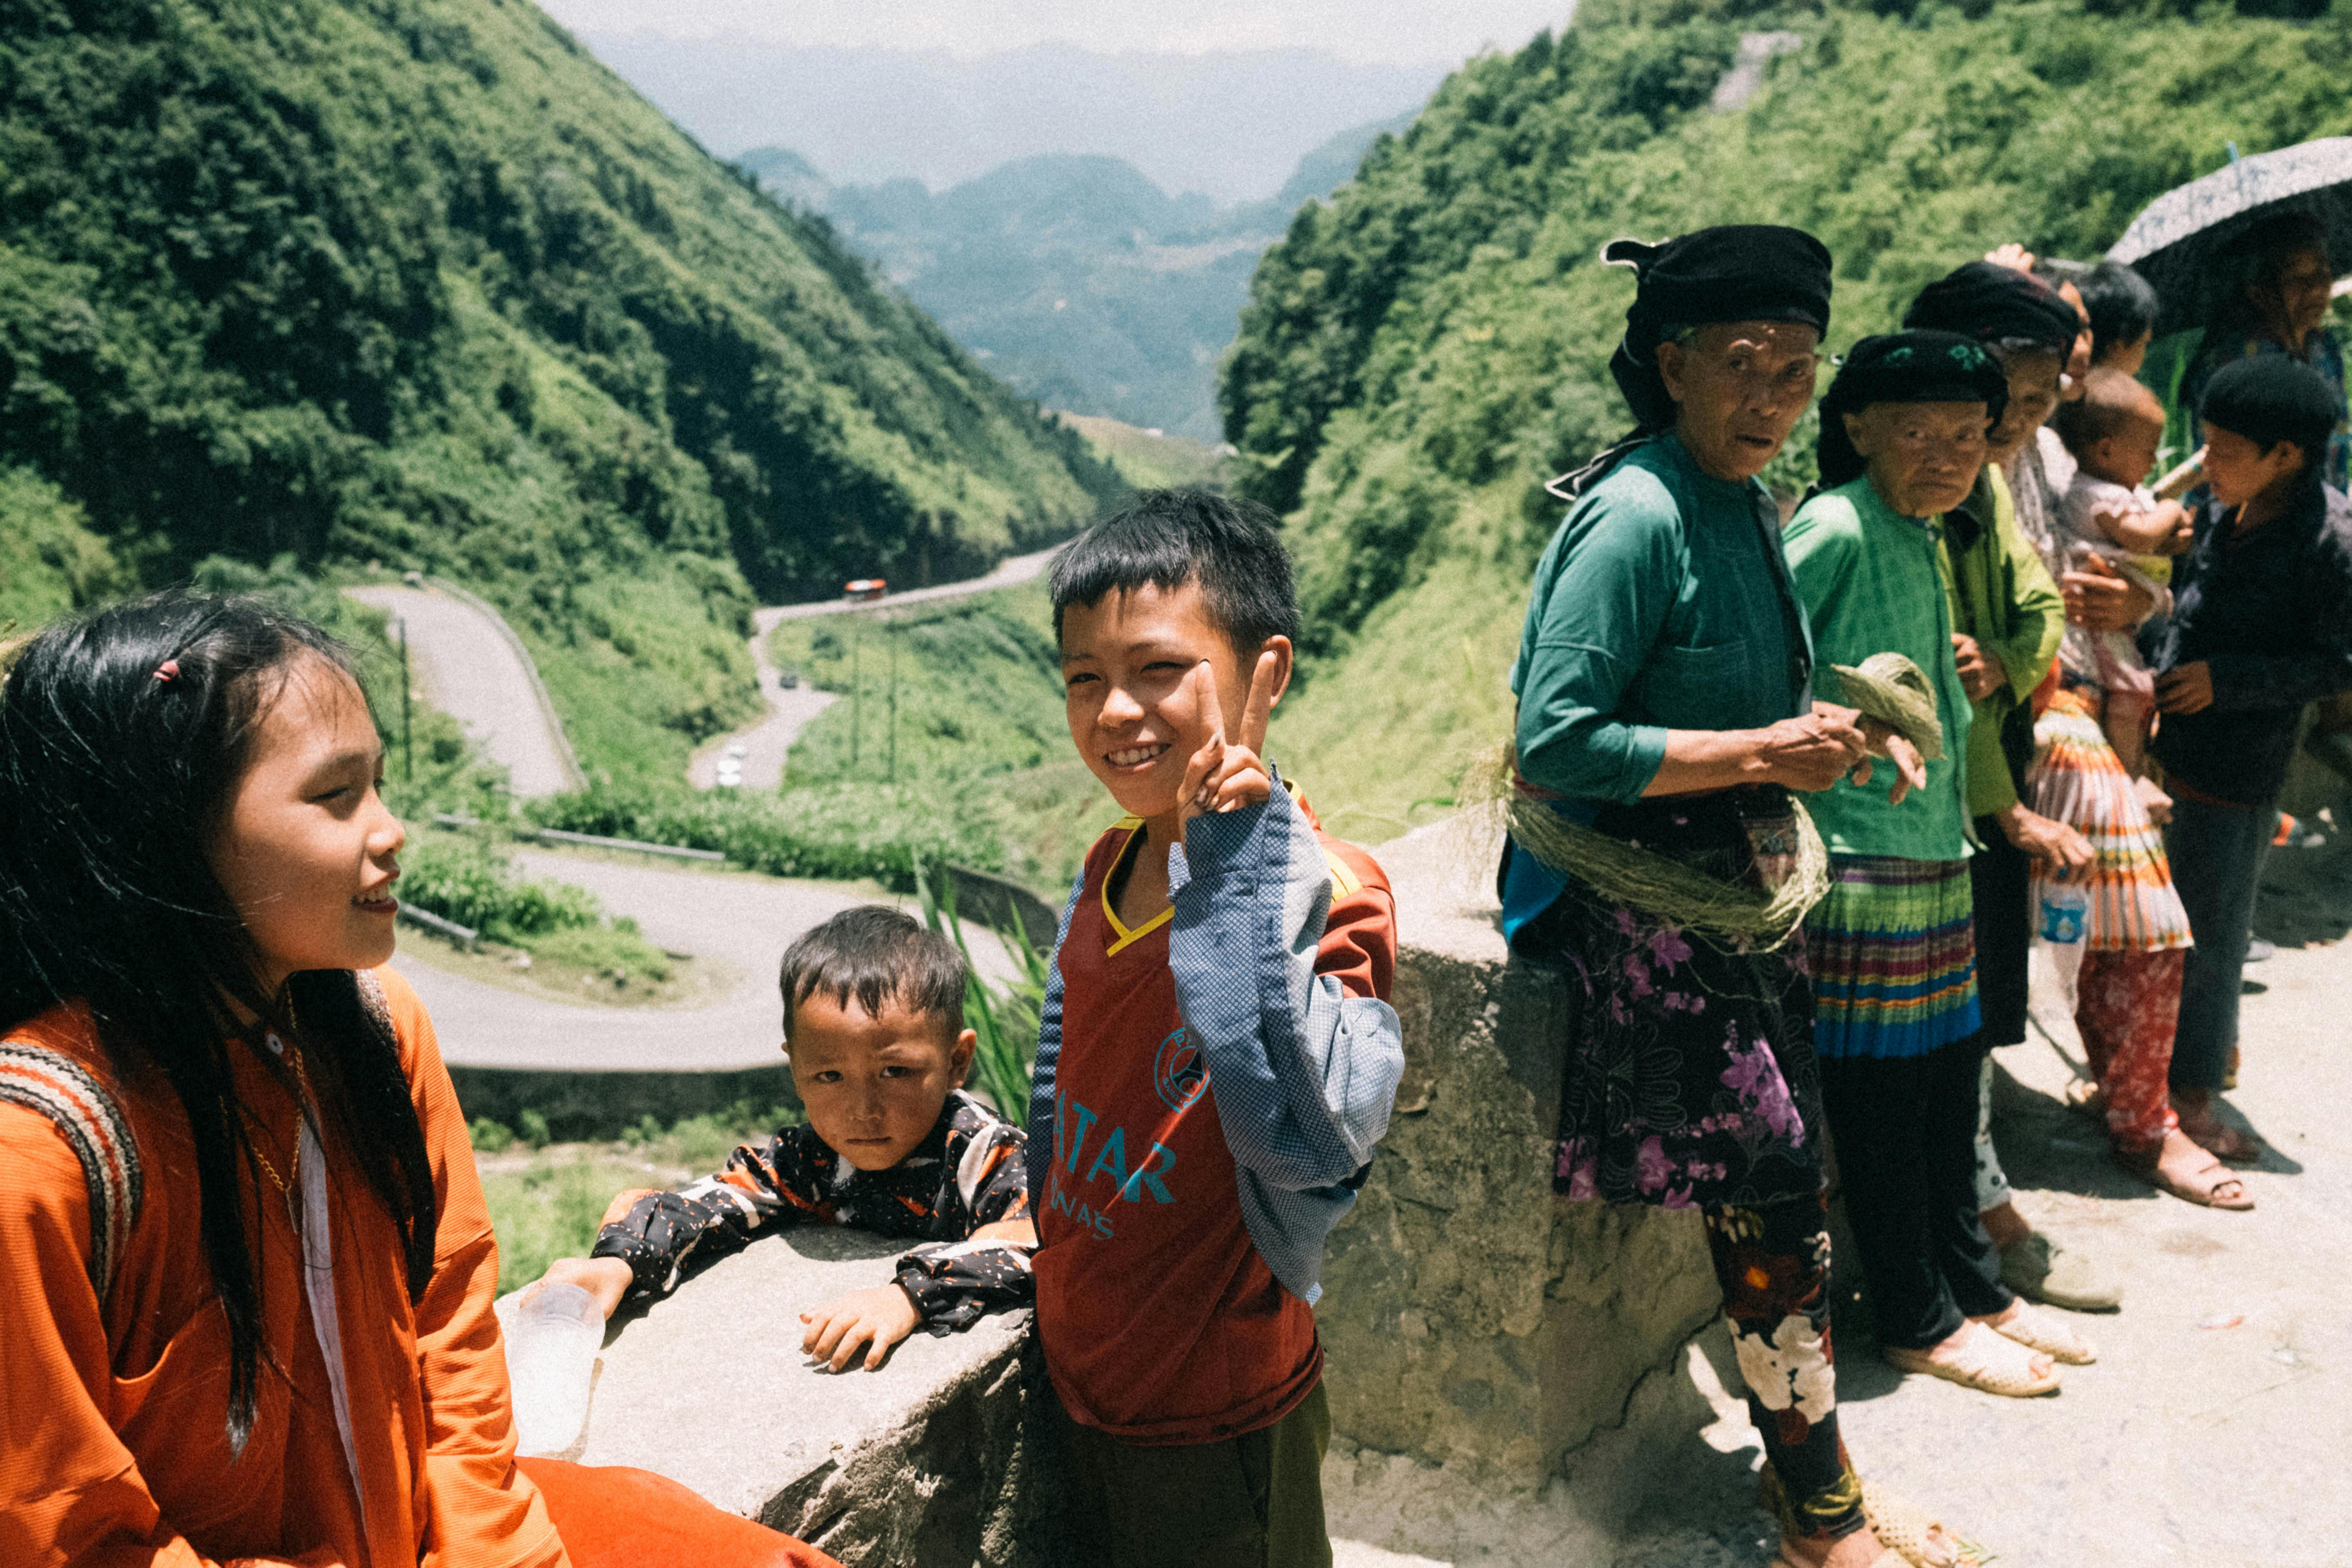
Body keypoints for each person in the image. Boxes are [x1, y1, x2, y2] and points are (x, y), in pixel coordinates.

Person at [0, 595, 838, 1568]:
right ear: (168, 831)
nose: (390, 831)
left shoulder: (376, 1028)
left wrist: (502, 1556)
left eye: (380, 787)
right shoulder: (46, 1158)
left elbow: (452, 1329)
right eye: (335, 797)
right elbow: (67, 1532)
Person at [1507, 227, 1964, 1568]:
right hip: (1634, 896)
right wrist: (1768, 754)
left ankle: (1810, 1485)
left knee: (1783, 1180)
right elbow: (1556, 740)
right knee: (1766, 1181)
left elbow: (1751, 698)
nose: (1771, 399)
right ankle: (1820, 1517)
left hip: (1735, 882)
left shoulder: (1748, 501)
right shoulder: (1638, 513)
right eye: (1741, 366)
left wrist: (1834, 733)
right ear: (1672, 367)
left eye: (1795, 370)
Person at [1025, 488, 1404, 1568]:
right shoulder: (1114, 860)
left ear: (1264, 676)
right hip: (1089, 1366)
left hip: (1224, 1406)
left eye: (1157, 670)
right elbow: (1066, 1065)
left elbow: (1310, 1132)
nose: (1114, 713)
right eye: (1084, 681)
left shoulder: (1329, 889)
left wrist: (1238, 875)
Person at [1785, 330, 2093, 1404]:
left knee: (1944, 1090)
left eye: (1970, 436)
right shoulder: (1836, 526)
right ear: (1860, 427)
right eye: (1917, 431)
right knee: (1879, 1102)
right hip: (1861, 862)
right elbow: (1764, 664)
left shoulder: (1924, 534)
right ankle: (1917, 1319)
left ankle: (1974, 1288)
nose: (1948, 455)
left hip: (1936, 856)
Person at [533, 906, 1036, 1371]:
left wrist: (906, 1298)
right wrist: (619, 1263)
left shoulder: (983, 1154)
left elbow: (1038, 1241)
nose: (863, 1110)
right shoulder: (812, 1158)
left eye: (895, 1072)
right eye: (830, 1078)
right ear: (796, 1070)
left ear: (956, 1062)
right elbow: (716, 1201)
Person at [1902, 262, 2119, 1313]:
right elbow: (1945, 697)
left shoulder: (1985, 483)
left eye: (2038, 408)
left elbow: (2034, 616)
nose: (2019, 428)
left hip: (1988, 788)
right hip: (1944, 807)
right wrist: (2005, 809)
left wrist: (2002, 646)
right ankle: (1978, 1224)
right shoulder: (1913, 501)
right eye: (2011, 404)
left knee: (1983, 1009)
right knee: (1951, 1021)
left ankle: (1978, 1208)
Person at [2151, 355, 2352, 1160]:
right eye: (2202, 442)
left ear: (2286, 457)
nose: (2206, 462)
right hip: (2170, 749)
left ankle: (2193, 1095)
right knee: (2164, 928)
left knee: (2212, 935)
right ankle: (2154, 1069)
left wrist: (2228, 683)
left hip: (2240, 766)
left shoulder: (2329, 541)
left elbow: (2339, 662)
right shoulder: (2219, 505)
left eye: (2226, 448)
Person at [2052, 369, 2196, 775]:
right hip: (2095, 618)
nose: (2154, 459)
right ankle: (2126, 772)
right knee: (2133, 692)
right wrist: (2172, 510)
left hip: (2112, 613)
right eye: (2148, 448)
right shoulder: (2099, 493)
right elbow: (2142, 537)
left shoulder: (2108, 489)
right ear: (2106, 450)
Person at [2187, 211, 2349, 490]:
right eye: (2298, 279)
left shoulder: (2325, 347)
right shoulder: (2233, 364)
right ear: (2259, 293)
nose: (2316, 289)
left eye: (2321, 274)